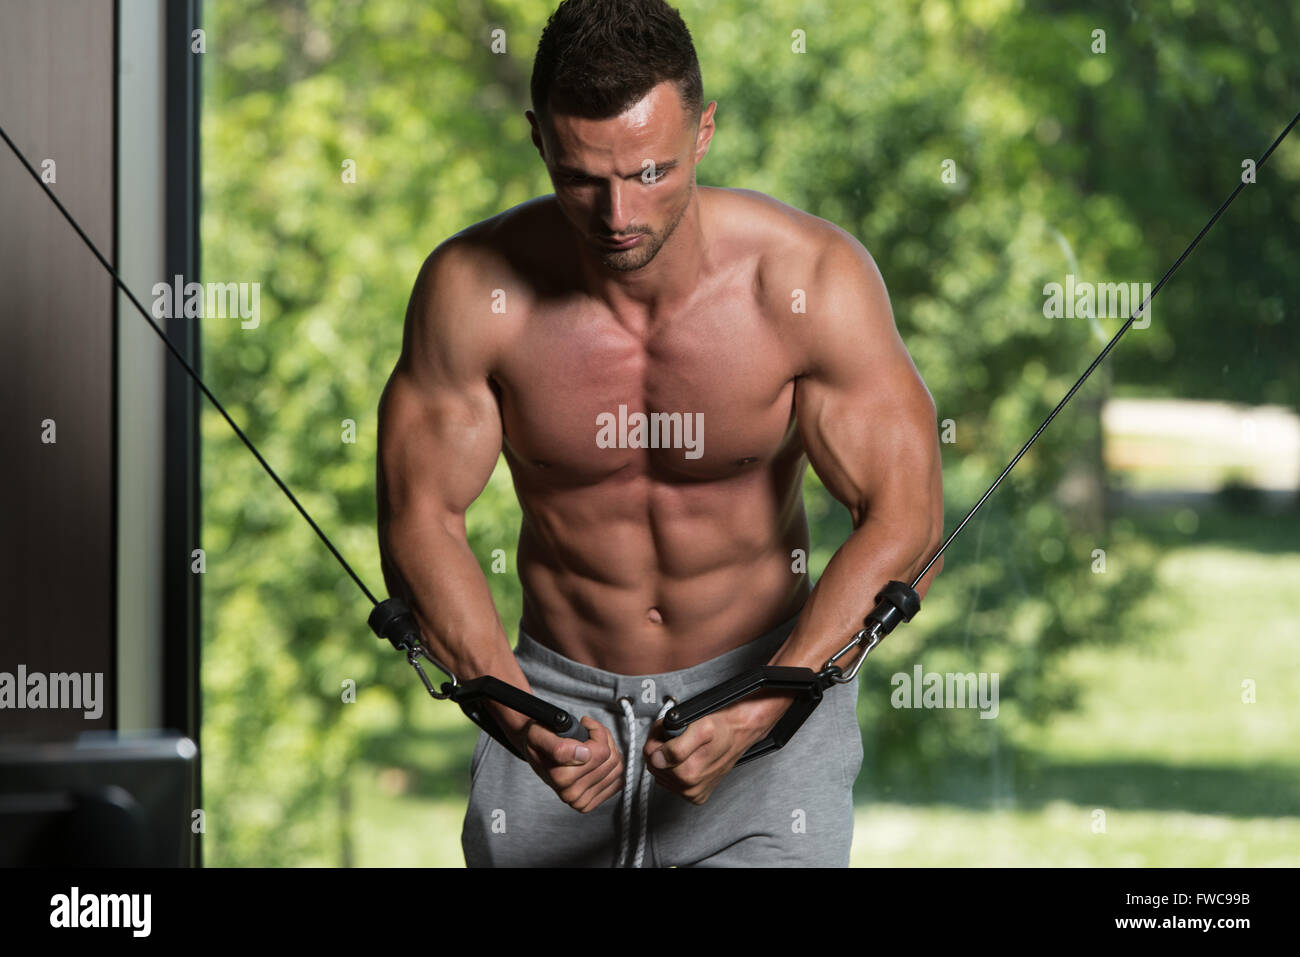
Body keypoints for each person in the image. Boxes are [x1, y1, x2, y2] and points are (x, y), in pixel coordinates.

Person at [376, 0, 944, 867]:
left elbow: (906, 522)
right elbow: (422, 519)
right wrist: (513, 707)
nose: (616, 214)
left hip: (766, 692)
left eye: (650, 173)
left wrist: (766, 704)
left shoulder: (808, 281)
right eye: (581, 178)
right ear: (538, 141)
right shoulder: (470, 291)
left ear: (705, 131)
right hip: (552, 704)